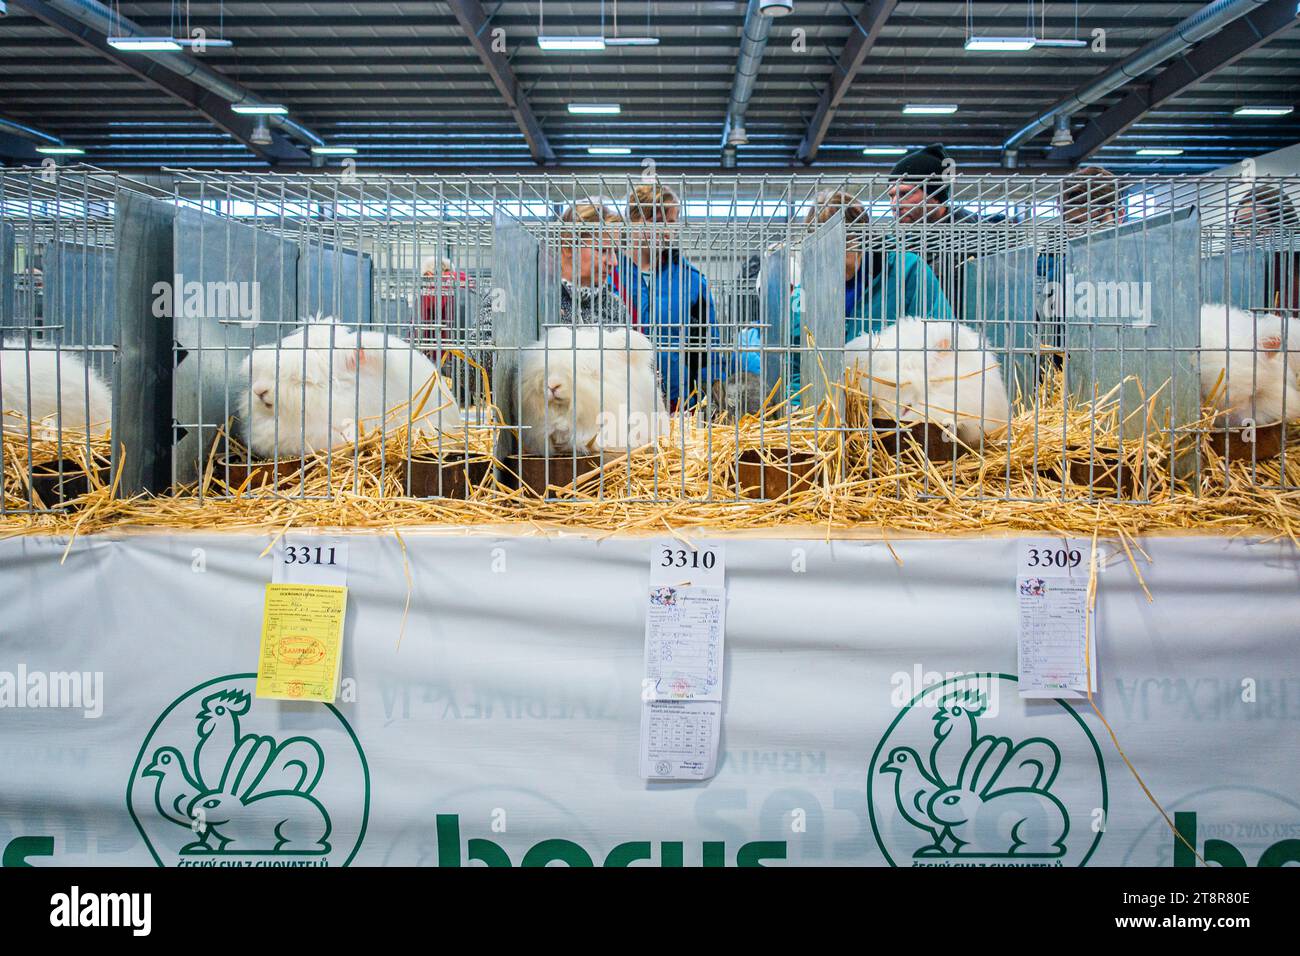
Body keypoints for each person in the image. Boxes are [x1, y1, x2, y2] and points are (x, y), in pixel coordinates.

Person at [787, 190, 955, 399]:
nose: (831, 261)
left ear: (862, 238)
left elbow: (943, 340)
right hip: (829, 408)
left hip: (899, 403)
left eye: (843, 245)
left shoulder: (908, 271)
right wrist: (797, 405)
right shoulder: (807, 290)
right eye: (821, 252)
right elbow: (795, 360)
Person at [624, 182, 726, 410]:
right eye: (657, 222)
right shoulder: (611, 275)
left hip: (676, 404)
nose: (666, 231)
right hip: (620, 401)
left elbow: (707, 348)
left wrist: (716, 402)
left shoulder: (691, 279)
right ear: (634, 221)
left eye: (671, 222)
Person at [888, 143, 995, 315]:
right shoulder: (897, 240)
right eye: (891, 196)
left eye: (905, 193)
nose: (895, 205)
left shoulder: (975, 236)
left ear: (936, 196)